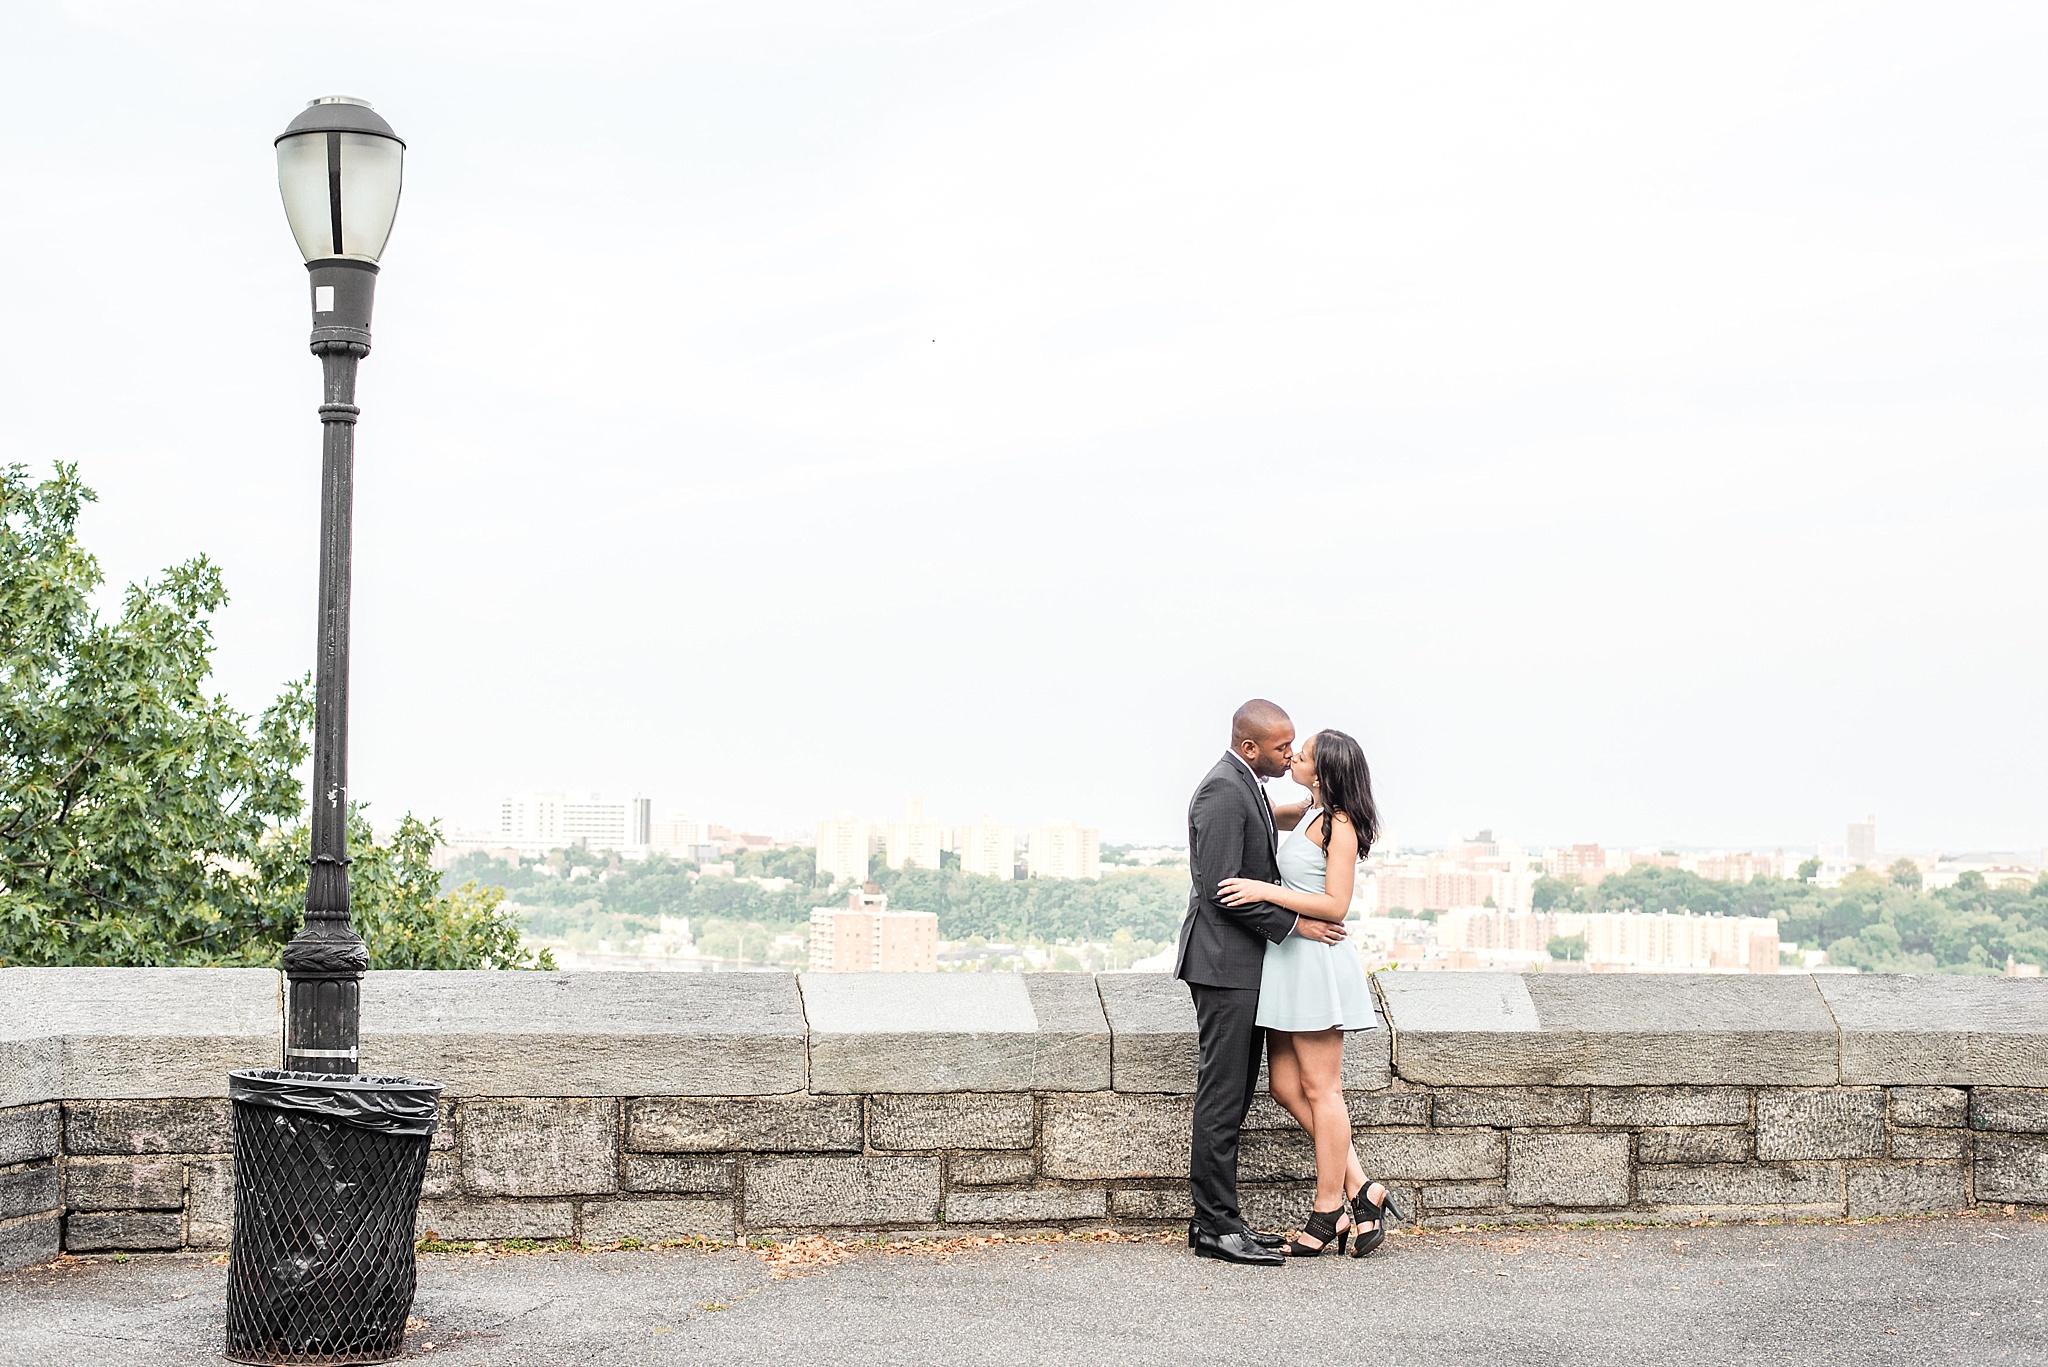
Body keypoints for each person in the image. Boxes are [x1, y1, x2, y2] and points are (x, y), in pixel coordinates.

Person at [1175, 699, 1350, 1266]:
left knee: (1236, 1094)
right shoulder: (1224, 789)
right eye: (1281, 748)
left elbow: (1259, 822)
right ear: (1250, 748)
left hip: (1241, 965)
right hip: (1224, 966)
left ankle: (1224, 1222)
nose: (1288, 755)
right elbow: (1222, 888)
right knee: (1223, 1097)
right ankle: (1216, 1227)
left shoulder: (1243, 782)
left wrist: (1310, 807)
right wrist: (1297, 923)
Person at [1219, 727, 1398, 1257]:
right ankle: (1363, 1189)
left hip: (1316, 961)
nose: (1293, 755)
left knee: (1323, 1089)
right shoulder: (1311, 812)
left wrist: (1260, 890)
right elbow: (1254, 811)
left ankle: (1328, 1212)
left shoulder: (1339, 824)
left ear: (1323, 771)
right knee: (1285, 1087)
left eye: (1304, 754)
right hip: (1288, 959)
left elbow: (1335, 905)